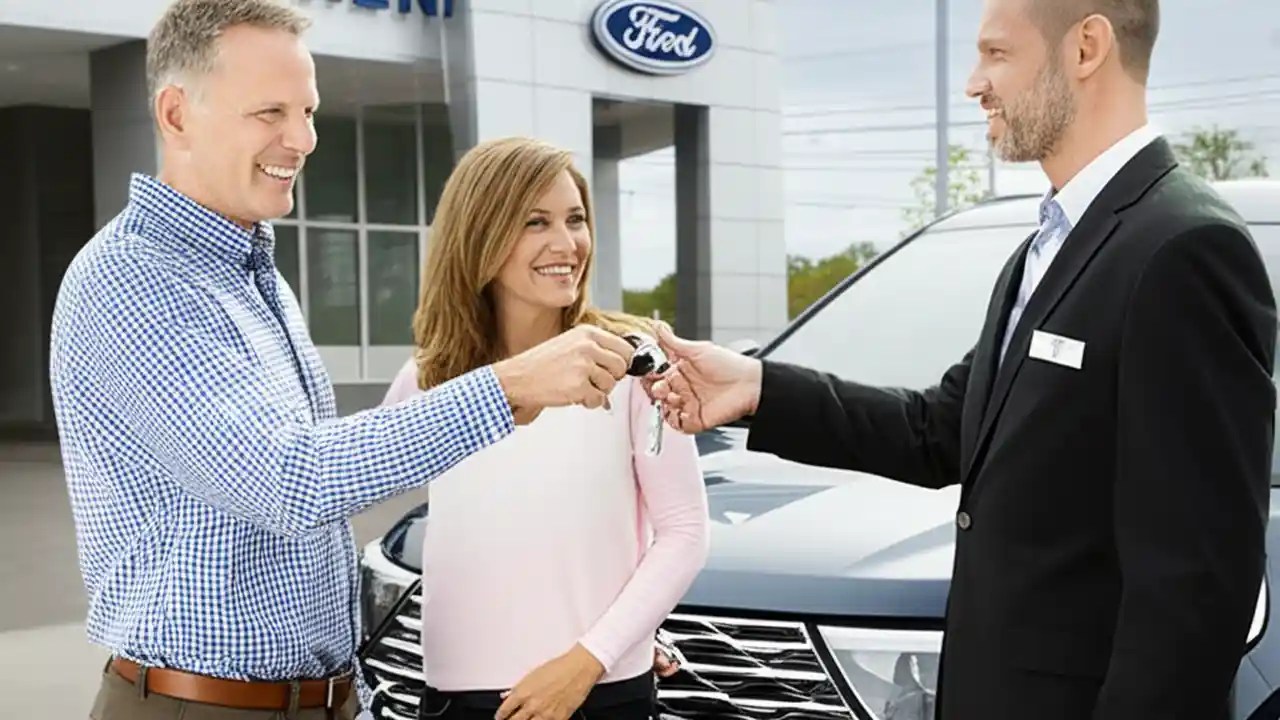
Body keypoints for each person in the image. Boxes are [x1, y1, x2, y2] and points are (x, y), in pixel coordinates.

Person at [646, 0, 1277, 718]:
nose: (974, 83)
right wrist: (758, 387)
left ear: (1087, 47)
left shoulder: (1182, 250)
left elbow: (1196, 588)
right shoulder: (1048, 247)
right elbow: (944, 428)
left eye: (997, 54)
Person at [48, 2, 638, 719]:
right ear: (177, 115)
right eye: (270, 112)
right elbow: (289, 480)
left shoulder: (248, 273)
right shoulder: (135, 282)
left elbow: (345, 485)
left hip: (314, 701)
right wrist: (511, 385)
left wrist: (610, 638)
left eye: (308, 110)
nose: (302, 139)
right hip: (205, 708)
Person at [376, 136, 710, 720]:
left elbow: (684, 532)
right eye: (536, 222)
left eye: (575, 219)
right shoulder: (429, 377)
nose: (567, 243)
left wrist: (590, 659)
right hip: (458, 701)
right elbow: (346, 488)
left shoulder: (633, 364)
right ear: (480, 234)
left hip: (599, 694)